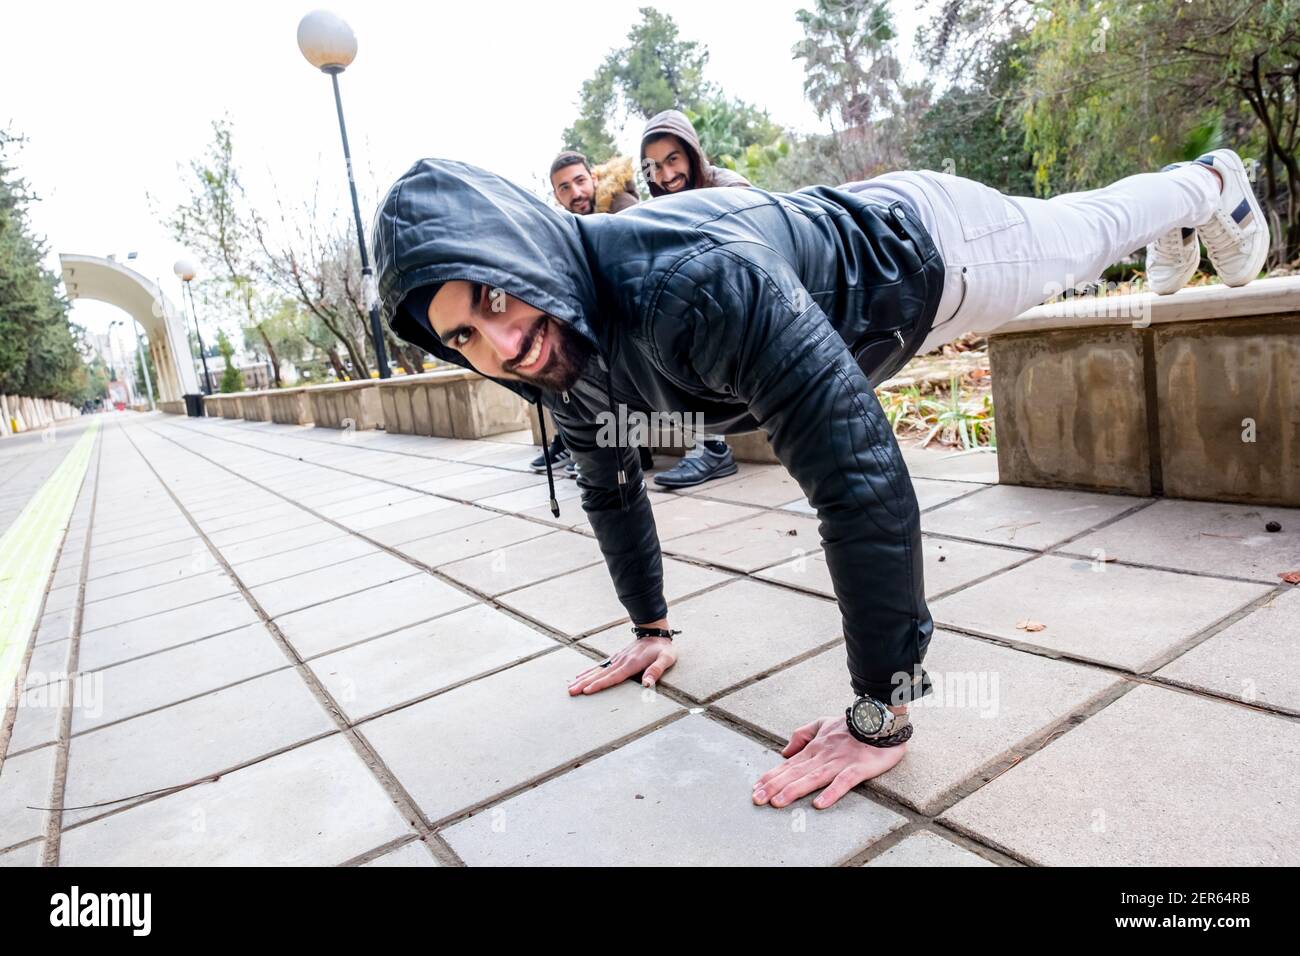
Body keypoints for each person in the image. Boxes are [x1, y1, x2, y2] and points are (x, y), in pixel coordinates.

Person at [374, 148, 1267, 810]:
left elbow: (859, 480)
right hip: (829, 272)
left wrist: (882, 711)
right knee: (1090, 226)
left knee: (1086, 229)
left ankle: (1211, 181)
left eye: (490, 297)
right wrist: (649, 626)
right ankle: (1184, 215)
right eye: (461, 336)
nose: (500, 345)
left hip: (931, 254)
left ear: (524, 252)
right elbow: (609, 486)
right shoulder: (556, 353)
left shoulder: (692, 287)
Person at [637, 109, 748, 488]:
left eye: (673, 160)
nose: (667, 176)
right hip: (704, 307)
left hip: (749, 310)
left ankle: (712, 449)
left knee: (684, 333)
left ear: (691, 154)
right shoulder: (659, 207)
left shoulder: (729, 190)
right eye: (655, 167)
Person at [533, 150, 651, 477]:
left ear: (594, 179)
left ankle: (628, 451)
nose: (576, 193)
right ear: (556, 195)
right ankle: (568, 439)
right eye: (564, 188)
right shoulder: (568, 227)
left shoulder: (621, 207)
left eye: (580, 181)